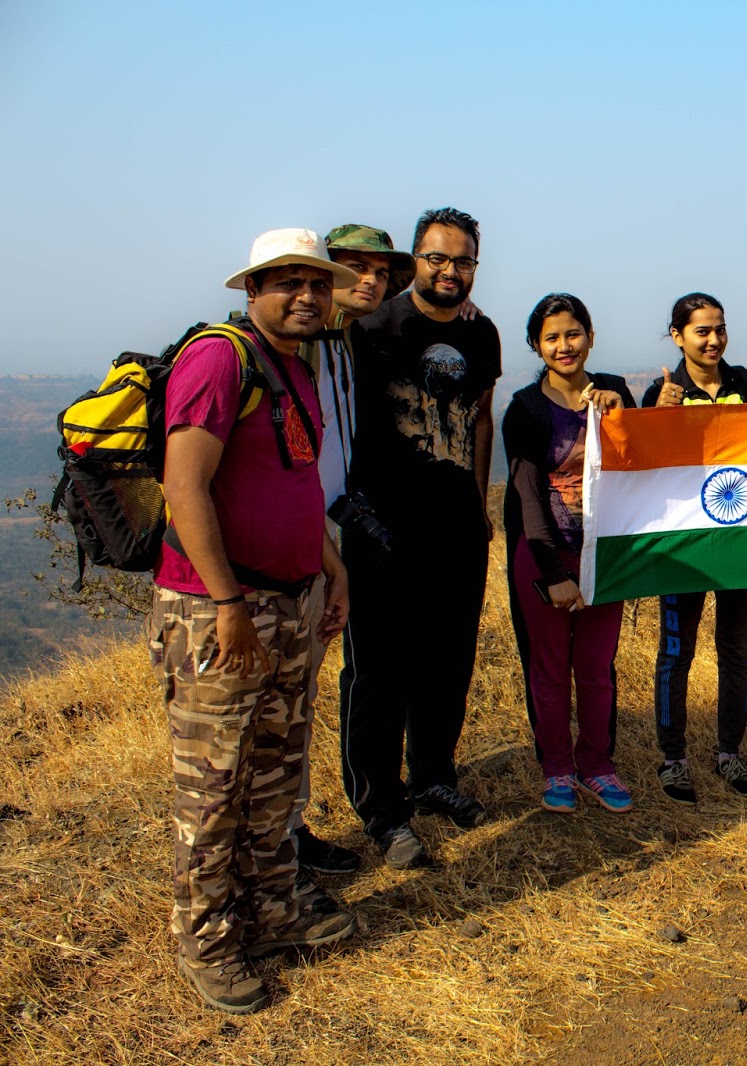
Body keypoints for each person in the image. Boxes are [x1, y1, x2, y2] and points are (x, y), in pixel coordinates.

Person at [152, 228, 358, 1013]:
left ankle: (271, 909)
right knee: (214, 785)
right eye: (286, 282)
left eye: (317, 283)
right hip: (222, 608)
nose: (306, 296)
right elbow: (184, 485)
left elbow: (295, 482)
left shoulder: (294, 365)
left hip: (291, 599)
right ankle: (207, 942)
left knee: (275, 768)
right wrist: (227, 603)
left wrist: (331, 569)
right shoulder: (220, 359)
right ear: (251, 290)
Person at [339, 207, 501, 868]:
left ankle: (434, 775)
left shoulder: (482, 332)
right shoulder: (370, 327)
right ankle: (381, 810)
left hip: (455, 527)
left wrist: (478, 501)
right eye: (436, 258)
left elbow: (482, 416)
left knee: (447, 660)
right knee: (379, 671)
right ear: (415, 261)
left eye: (462, 260)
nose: (449, 270)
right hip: (383, 527)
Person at [288, 223, 415, 885]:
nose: (369, 281)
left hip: (346, 527)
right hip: (295, 539)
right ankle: (281, 836)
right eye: (355, 268)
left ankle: (334, 819)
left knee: (346, 679)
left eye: (381, 272)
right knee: (286, 693)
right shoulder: (293, 348)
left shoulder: (351, 343)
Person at [503, 293, 635, 815]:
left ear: (591, 336)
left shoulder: (615, 391)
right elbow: (528, 495)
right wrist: (553, 573)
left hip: (605, 555)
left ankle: (598, 764)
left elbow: (640, 464)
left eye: (573, 333)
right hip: (545, 554)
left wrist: (621, 415)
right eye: (552, 337)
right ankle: (557, 767)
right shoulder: (525, 408)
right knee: (550, 669)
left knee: (597, 668)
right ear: (537, 346)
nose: (564, 346)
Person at [640, 293, 747, 804]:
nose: (714, 340)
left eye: (720, 328)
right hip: (685, 548)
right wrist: (656, 414)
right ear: (678, 336)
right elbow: (640, 463)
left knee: (735, 651)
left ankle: (728, 753)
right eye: (702, 331)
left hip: (741, 544)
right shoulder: (662, 393)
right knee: (676, 653)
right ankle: (672, 760)